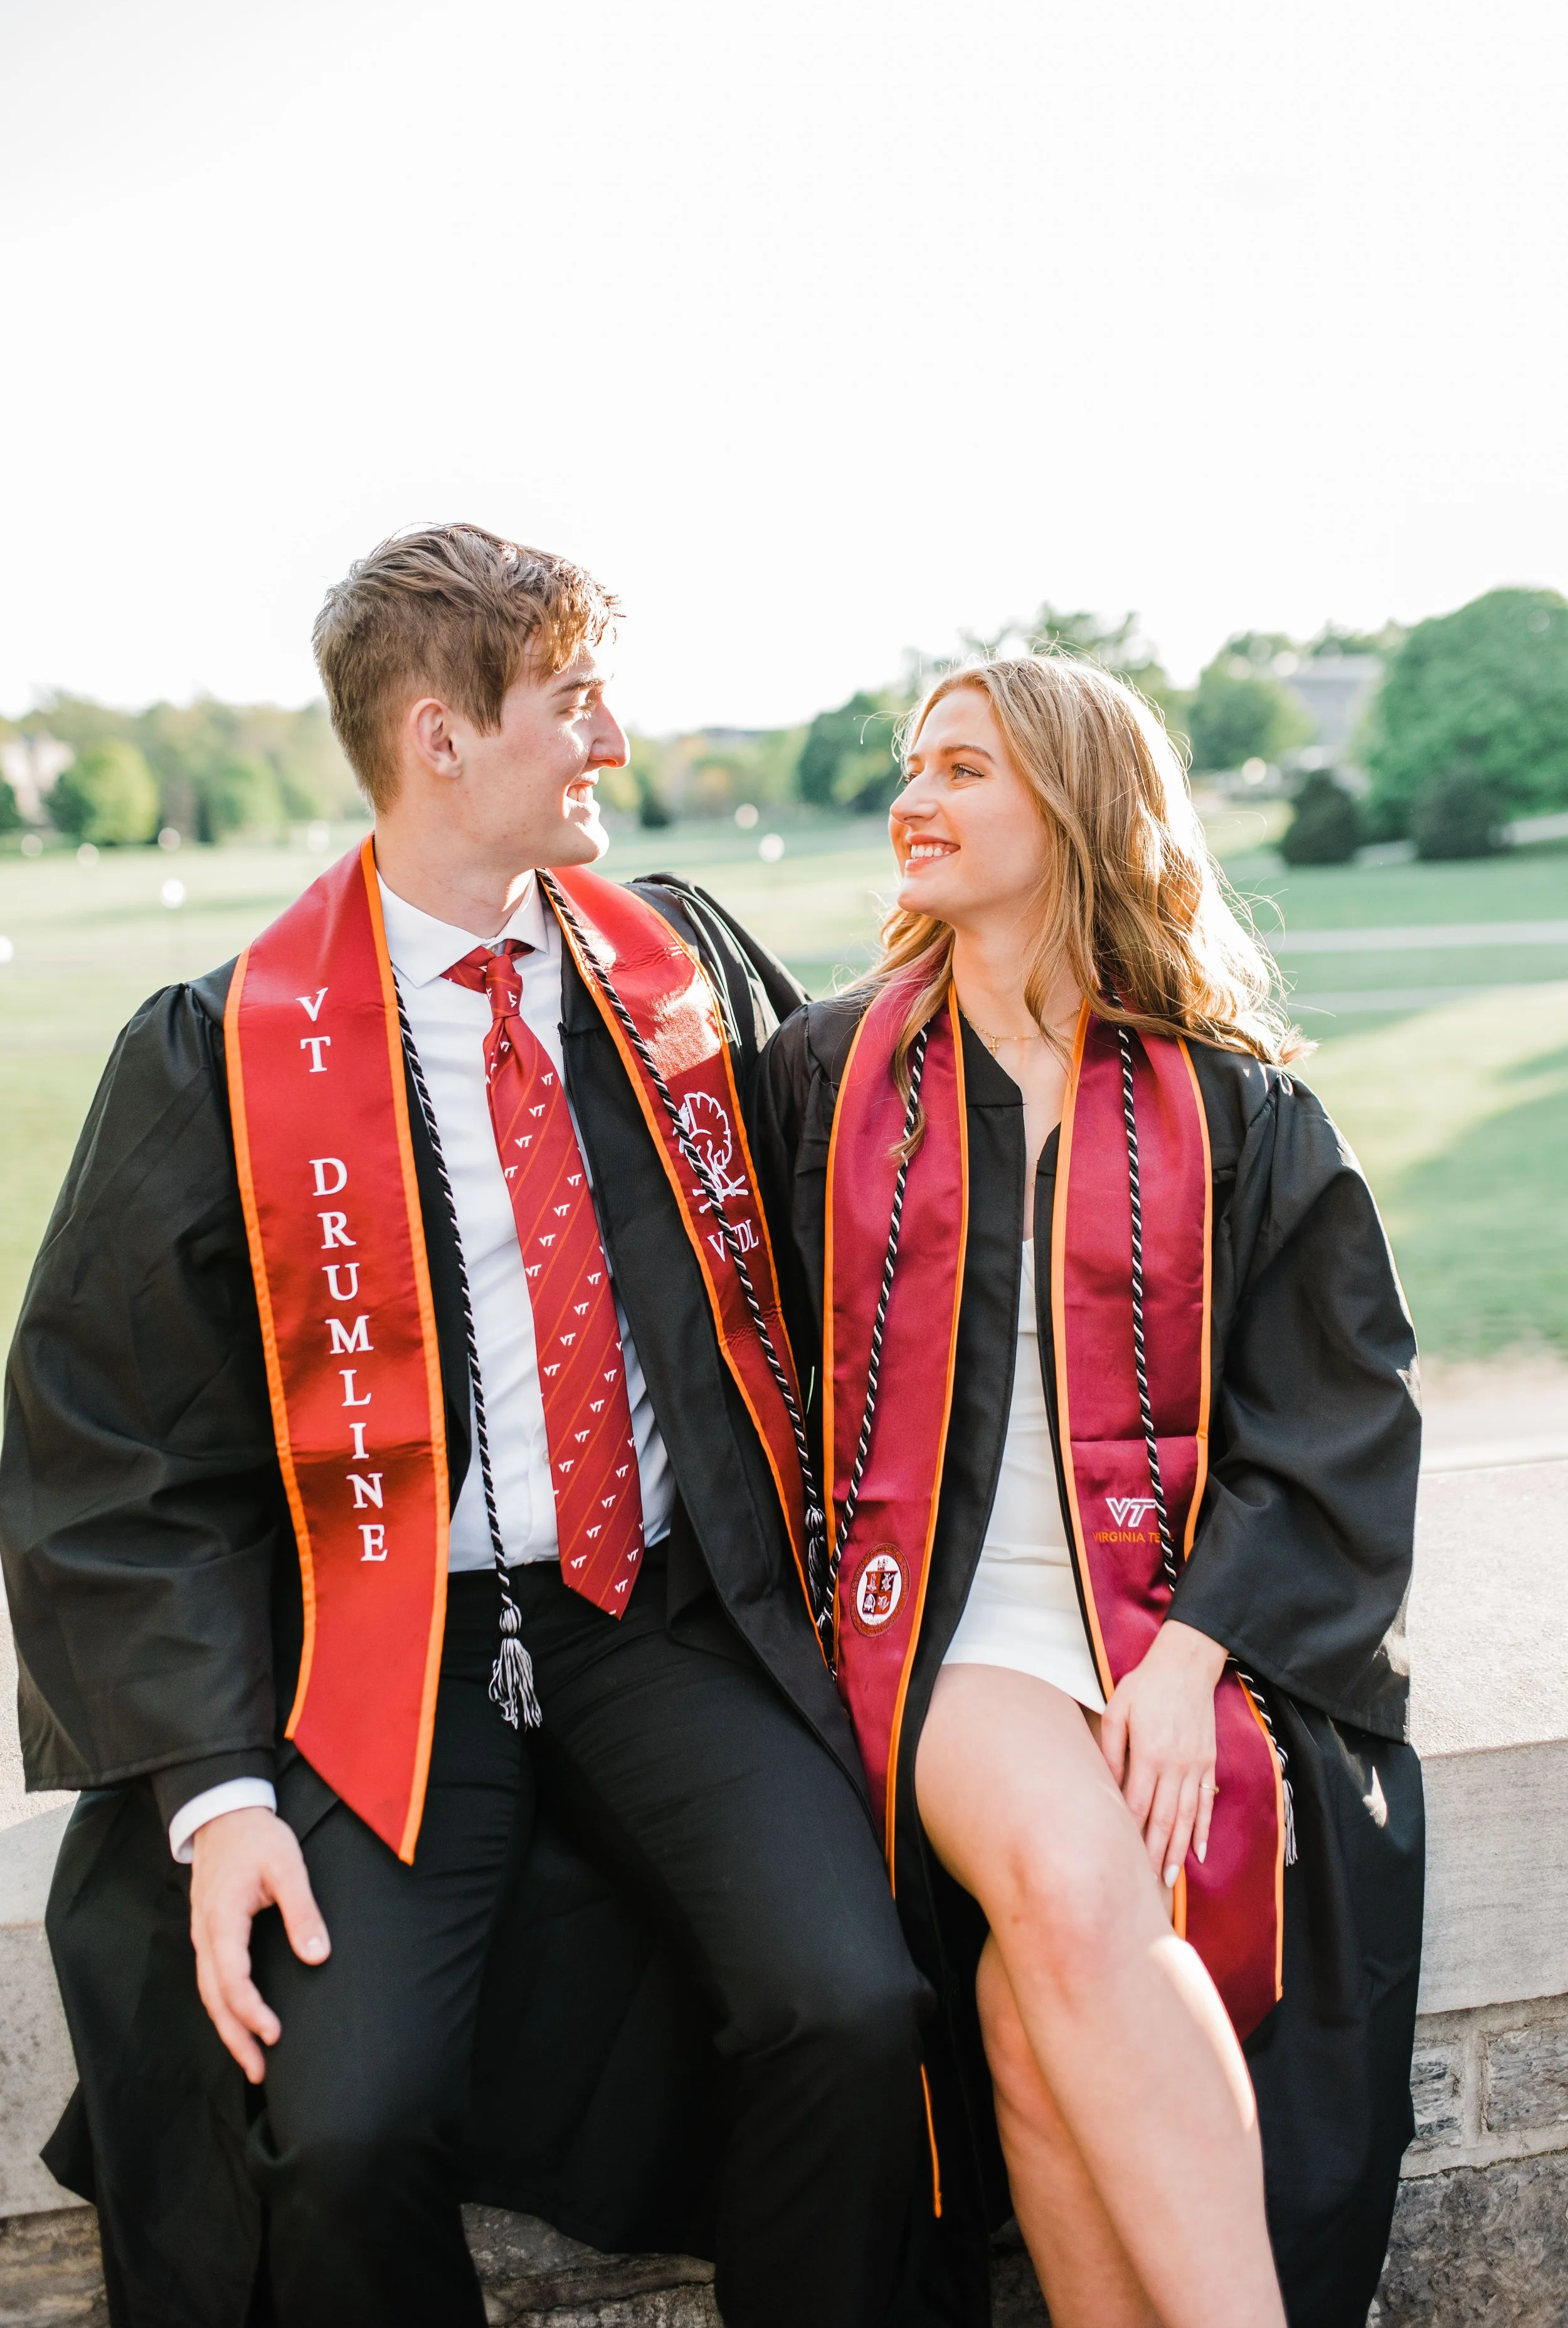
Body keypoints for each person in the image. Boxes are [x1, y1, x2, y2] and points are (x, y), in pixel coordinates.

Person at [0, 524, 930, 2328]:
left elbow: (883, 1172)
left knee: (851, 2005)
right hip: (389, 1644)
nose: (612, 738)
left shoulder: (671, 969)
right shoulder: (224, 1051)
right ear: (439, 738)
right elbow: (103, 1444)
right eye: (571, 700)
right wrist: (213, 1794)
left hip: (662, 1611)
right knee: (341, 2125)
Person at [752, 654, 1424, 2328]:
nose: (914, 796)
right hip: (939, 1635)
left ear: (1073, 807)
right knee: (1065, 1883)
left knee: (1028, 2011)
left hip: (1179, 1628)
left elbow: (1333, 1417)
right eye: (912, 764)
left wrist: (1197, 1651)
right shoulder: (828, 1079)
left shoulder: (1233, 1104)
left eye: (963, 768)